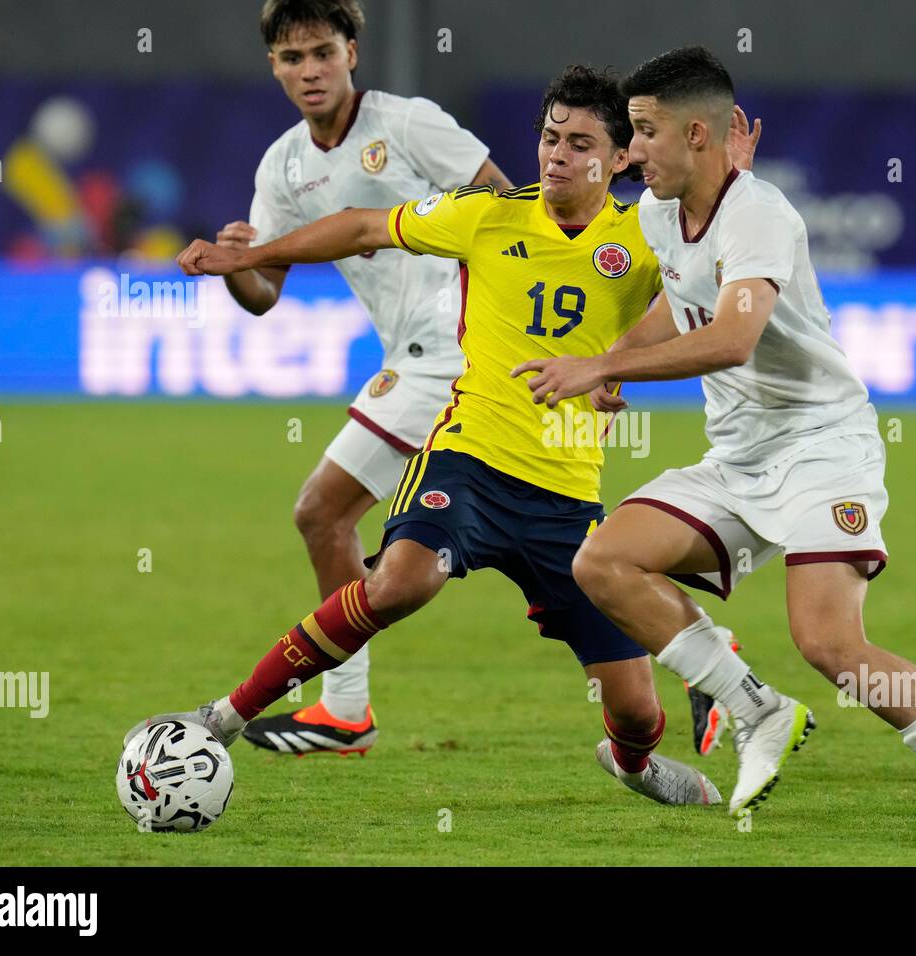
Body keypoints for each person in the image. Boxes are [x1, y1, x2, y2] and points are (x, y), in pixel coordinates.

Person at [135, 66, 756, 806]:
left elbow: (703, 303)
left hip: (567, 499)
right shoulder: (487, 216)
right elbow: (367, 224)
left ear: (620, 158)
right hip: (469, 461)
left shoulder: (645, 236)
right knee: (401, 579)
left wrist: (619, 366)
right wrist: (253, 255)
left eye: (580, 143)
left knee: (634, 711)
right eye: (550, 137)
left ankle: (632, 766)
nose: (556, 155)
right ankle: (227, 715)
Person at [514, 46, 916, 841]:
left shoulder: (762, 214)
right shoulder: (659, 212)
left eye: (645, 132)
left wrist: (603, 363)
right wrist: (620, 368)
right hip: (740, 455)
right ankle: (755, 707)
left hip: (822, 448)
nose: (630, 150)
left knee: (830, 642)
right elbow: (685, 307)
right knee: (604, 562)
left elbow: (730, 339)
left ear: (696, 134)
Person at [222, 0, 510, 755]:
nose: (310, 71)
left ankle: (345, 710)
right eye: (293, 59)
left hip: (459, 352)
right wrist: (232, 264)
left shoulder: (408, 123)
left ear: (353, 51)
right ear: (274, 68)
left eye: (322, 52)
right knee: (555, 548)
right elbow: (263, 291)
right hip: (411, 360)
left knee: (323, 511)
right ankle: (708, 664)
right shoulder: (283, 166)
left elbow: (512, 213)